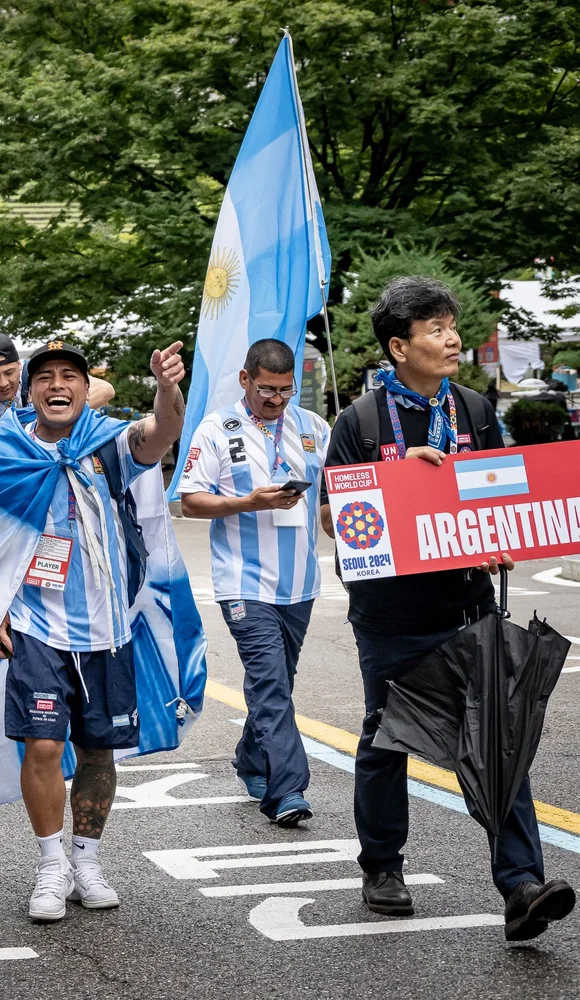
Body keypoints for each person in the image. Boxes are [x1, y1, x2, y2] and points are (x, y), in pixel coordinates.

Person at [319, 276, 574, 940]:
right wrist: (401, 484)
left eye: (452, 325)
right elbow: (332, 516)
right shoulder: (361, 422)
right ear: (399, 346)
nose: (453, 338)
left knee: (497, 738)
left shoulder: (474, 410)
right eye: (435, 329)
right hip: (390, 616)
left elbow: (502, 495)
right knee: (385, 740)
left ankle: (520, 886)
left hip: (469, 606)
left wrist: (504, 541)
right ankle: (381, 866)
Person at [0, 338, 185, 923]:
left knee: (98, 748)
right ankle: (49, 864)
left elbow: (162, 433)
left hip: (106, 622)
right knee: (41, 743)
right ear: (29, 389)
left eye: (70, 375)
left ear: (86, 388)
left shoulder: (107, 444)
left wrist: (167, 388)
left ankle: (86, 859)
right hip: (36, 622)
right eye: (45, 377)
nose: (57, 385)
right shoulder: (6, 451)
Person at [177, 338, 330, 828]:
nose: (276, 400)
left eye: (286, 391)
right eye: (267, 389)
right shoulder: (218, 429)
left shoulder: (313, 427)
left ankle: (250, 756)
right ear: (245, 380)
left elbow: (343, 487)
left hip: (300, 582)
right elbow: (190, 501)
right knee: (270, 683)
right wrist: (249, 502)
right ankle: (288, 790)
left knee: (277, 685)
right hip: (244, 581)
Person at [0, 333, 116, 419]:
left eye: (9, 373)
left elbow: (106, 389)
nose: (3, 382)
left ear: (20, 365)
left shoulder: (34, 369)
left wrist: (46, 417)